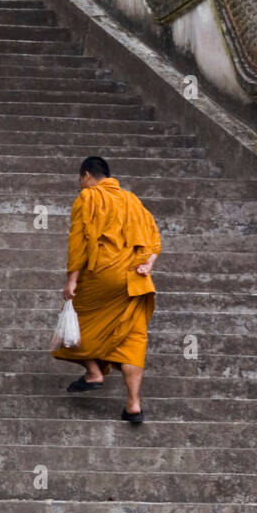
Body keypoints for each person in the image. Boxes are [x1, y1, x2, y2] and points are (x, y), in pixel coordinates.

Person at [52, 156, 161, 424]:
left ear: (87, 175)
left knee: (77, 322)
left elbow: (78, 241)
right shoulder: (132, 200)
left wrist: (72, 280)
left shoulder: (88, 198)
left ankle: (93, 372)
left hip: (104, 275)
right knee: (133, 339)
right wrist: (148, 264)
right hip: (136, 277)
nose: (80, 186)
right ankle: (133, 404)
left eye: (80, 181)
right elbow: (154, 240)